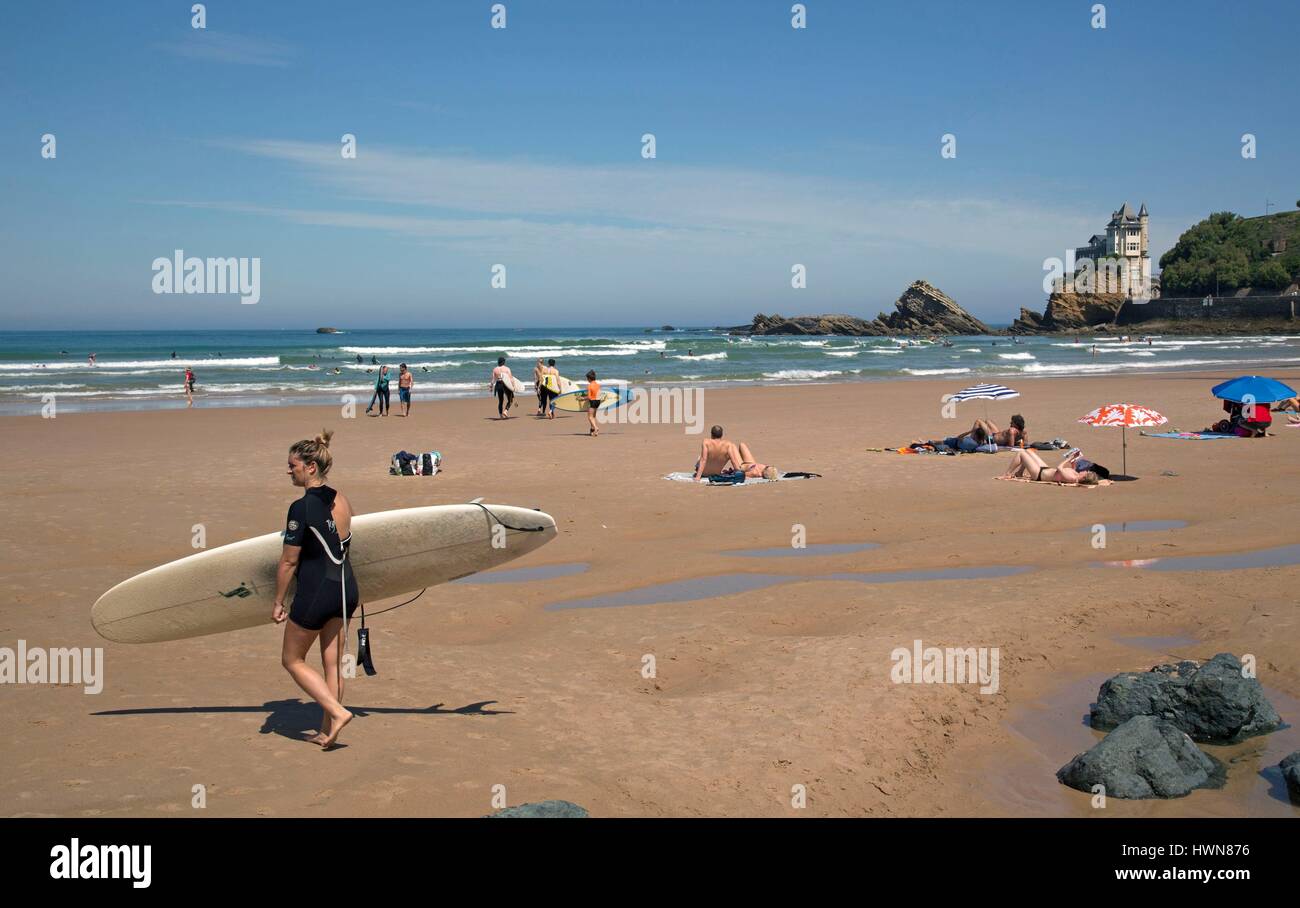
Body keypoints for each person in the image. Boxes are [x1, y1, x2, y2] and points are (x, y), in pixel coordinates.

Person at [272, 430, 358, 750]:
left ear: (310, 467)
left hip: (317, 592)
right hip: (345, 588)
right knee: (331, 663)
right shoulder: (342, 499)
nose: (288, 470)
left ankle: (336, 712)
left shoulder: (300, 507)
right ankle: (328, 729)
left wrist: (279, 601)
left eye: (292, 465)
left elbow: (288, 563)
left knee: (292, 659)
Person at [1001, 448, 1100, 485]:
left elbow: (1059, 468)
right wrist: (1073, 460)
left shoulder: (1073, 478)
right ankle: (1019, 473)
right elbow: (1071, 469)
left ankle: (1008, 473)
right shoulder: (1075, 474)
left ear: (1084, 477)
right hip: (1045, 469)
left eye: (1087, 472)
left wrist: (1068, 459)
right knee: (1029, 451)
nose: (1085, 471)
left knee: (1021, 453)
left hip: (1039, 474)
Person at [585, 369, 601, 436]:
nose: (587, 380)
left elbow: (589, 397)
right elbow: (599, 394)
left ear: (589, 378)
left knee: (590, 417)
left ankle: (596, 428)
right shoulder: (598, 385)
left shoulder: (589, 386)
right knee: (593, 417)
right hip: (598, 401)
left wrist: (581, 398)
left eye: (587, 378)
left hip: (593, 401)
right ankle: (592, 431)